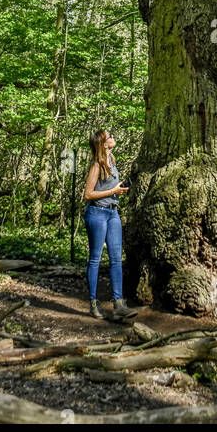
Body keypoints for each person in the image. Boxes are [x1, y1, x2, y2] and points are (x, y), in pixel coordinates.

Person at [83, 128, 137, 321]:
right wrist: (112, 191)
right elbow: (88, 194)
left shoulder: (111, 160)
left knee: (116, 258)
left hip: (113, 212)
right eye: (110, 136)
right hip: (97, 213)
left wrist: (118, 189)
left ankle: (119, 304)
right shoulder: (97, 165)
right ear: (103, 144)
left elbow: (108, 188)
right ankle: (93, 302)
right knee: (95, 259)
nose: (113, 137)